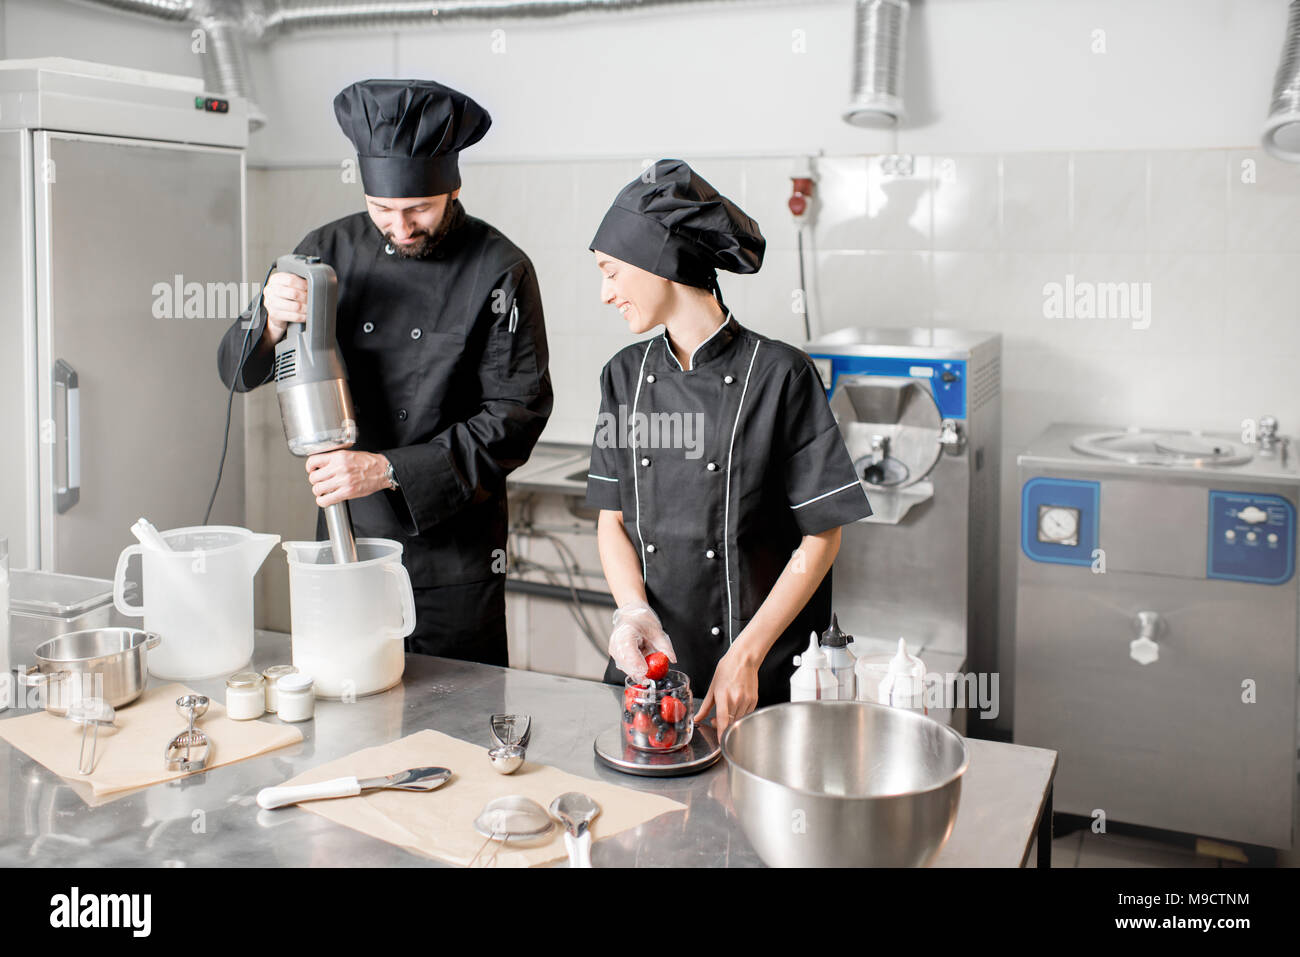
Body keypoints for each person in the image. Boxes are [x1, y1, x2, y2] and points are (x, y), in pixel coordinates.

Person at [217, 78, 552, 667]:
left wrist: (386, 468)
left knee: (459, 726)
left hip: (454, 561)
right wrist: (267, 320)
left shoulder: (500, 270)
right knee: (345, 705)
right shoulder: (325, 251)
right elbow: (235, 372)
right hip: (347, 539)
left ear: (452, 187)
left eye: (418, 209)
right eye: (382, 210)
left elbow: (514, 418)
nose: (399, 228)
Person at [584, 159, 872, 732]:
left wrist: (745, 654)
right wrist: (632, 613)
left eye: (612, 271)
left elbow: (822, 535)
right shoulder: (622, 375)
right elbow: (611, 521)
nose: (605, 292)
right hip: (653, 669)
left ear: (659, 262)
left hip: (758, 669)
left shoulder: (781, 374)